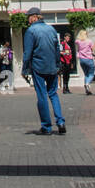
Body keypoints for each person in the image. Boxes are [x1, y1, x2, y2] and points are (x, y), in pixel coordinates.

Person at [21, 8, 66, 136]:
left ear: (34, 17)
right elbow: (57, 49)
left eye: (28, 17)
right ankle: (61, 122)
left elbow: (28, 53)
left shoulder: (31, 31)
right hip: (52, 67)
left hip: (38, 67)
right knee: (53, 94)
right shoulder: (51, 29)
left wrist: (25, 69)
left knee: (42, 96)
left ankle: (46, 127)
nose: (27, 20)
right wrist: (57, 65)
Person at [76, 28, 95, 94]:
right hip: (89, 59)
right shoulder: (89, 41)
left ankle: (87, 90)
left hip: (82, 60)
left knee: (86, 74)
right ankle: (87, 83)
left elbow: (76, 41)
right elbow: (93, 49)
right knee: (91, 74)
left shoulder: (78, 42)